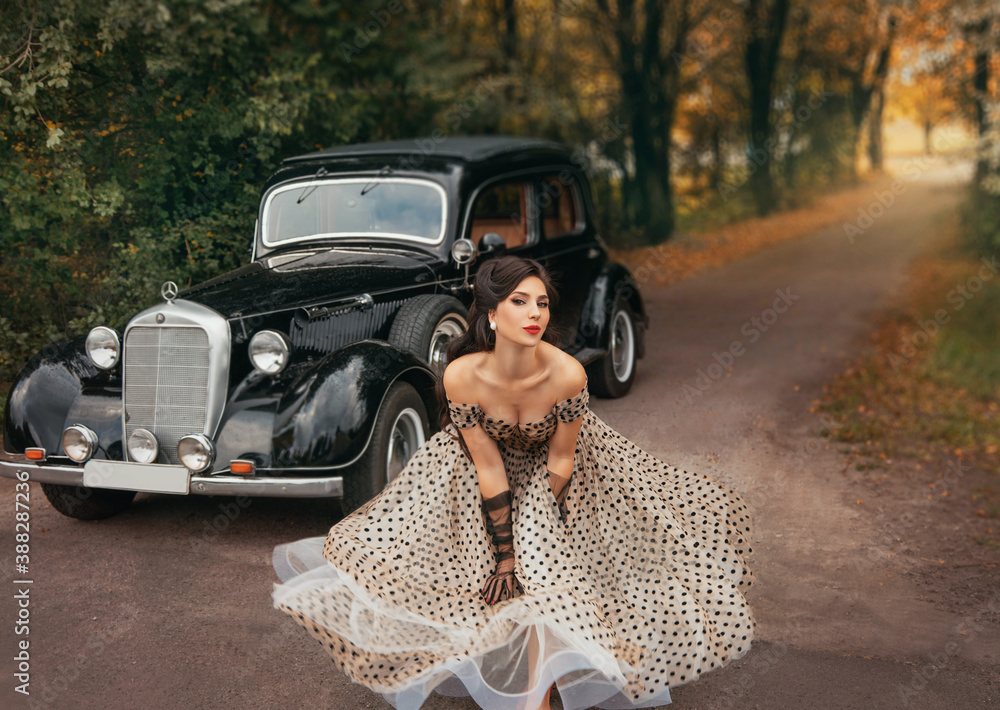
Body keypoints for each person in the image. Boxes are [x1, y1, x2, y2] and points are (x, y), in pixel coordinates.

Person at [272, 256, 754, 710]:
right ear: (491, 316)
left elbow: (562, 458)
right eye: (520, 302)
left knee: (547, 571)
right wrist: (504, 553)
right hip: (478, 474)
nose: (535, 314)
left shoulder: (567, 374)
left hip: (565, 472)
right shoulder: (462, 375)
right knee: (458, 571)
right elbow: (487, 466)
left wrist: (548, 528)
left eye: (542, 302)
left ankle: (534, 699)